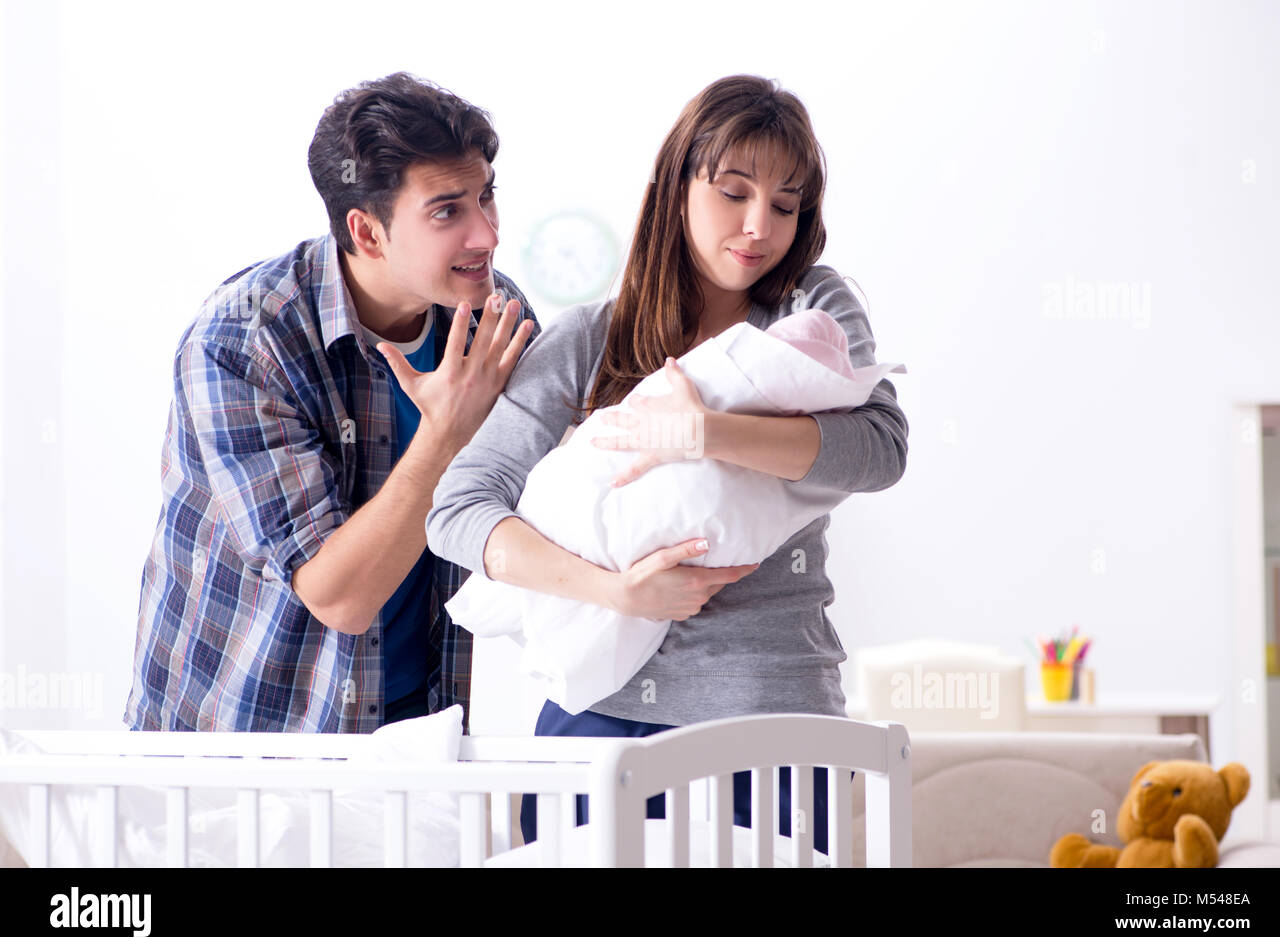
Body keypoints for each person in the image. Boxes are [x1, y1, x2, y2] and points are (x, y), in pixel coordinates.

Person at [425, 75, 909, 854]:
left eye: (785, 206)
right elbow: (458, 513)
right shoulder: (589, 341)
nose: (759, 227)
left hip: (769, 711)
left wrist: (705, 433)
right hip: (597, 717)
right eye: (733, 192)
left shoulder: (808, 318)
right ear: (677, 184)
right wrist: (618, 591)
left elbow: (882, 450)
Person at [125, 72, 536, 734]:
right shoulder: (243, 340)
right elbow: (338, 596)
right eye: (447, 210)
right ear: (367, 232)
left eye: (487, 198)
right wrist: (446, 434)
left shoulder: (496, 317)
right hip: (242, 739)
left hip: (416, 728)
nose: (486, 234)